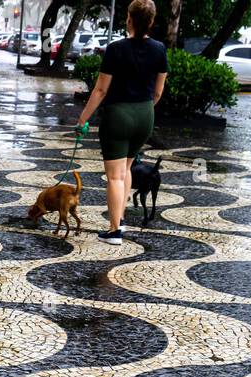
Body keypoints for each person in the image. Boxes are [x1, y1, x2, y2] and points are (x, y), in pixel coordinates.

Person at [74, 0, 166, 245]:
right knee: (125, 170)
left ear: (129, 19)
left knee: (115, 176)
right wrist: (142, 110)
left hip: (118, 117)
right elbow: (158, 93)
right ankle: (120, 218)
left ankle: (115, 231)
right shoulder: (159, 49)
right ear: (151, 21)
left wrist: (83, 119)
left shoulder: (116, 49)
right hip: (145, 115)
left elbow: (101, 90)